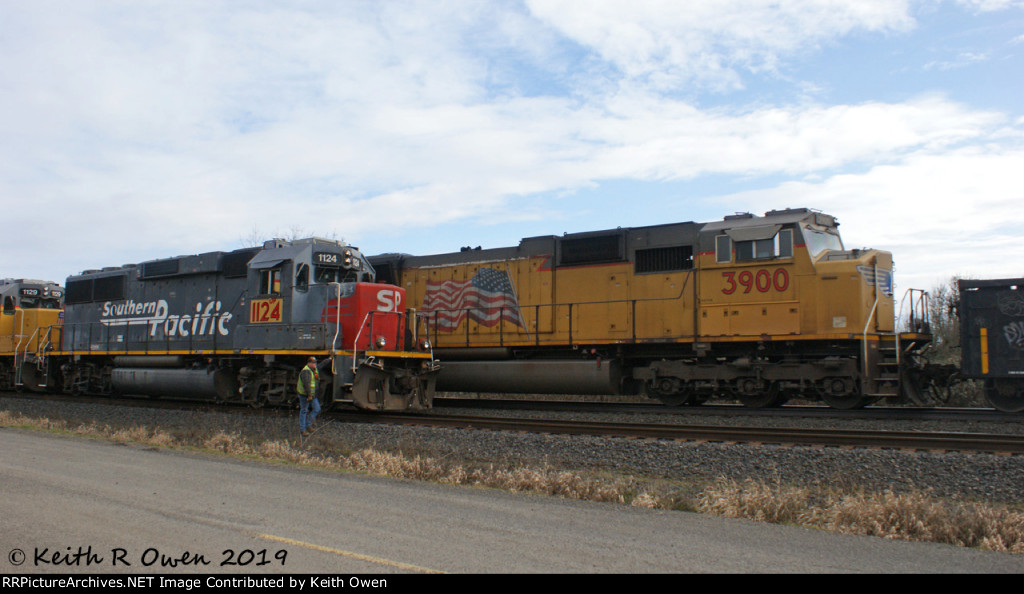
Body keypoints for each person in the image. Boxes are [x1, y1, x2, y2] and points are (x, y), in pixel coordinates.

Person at [297, 357, 321, 436]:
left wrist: (330, 359)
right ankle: (302, 429)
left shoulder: (313, 370)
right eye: (313, 363)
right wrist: (309, 395)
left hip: (312, 395)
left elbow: (321, 366)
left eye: (315, 363)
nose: (314, 364)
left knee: (317, 409)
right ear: (309, 363)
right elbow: (306, 384)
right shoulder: (306, 371)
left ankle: (308, 425)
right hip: (305, 395)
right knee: (304, 410)